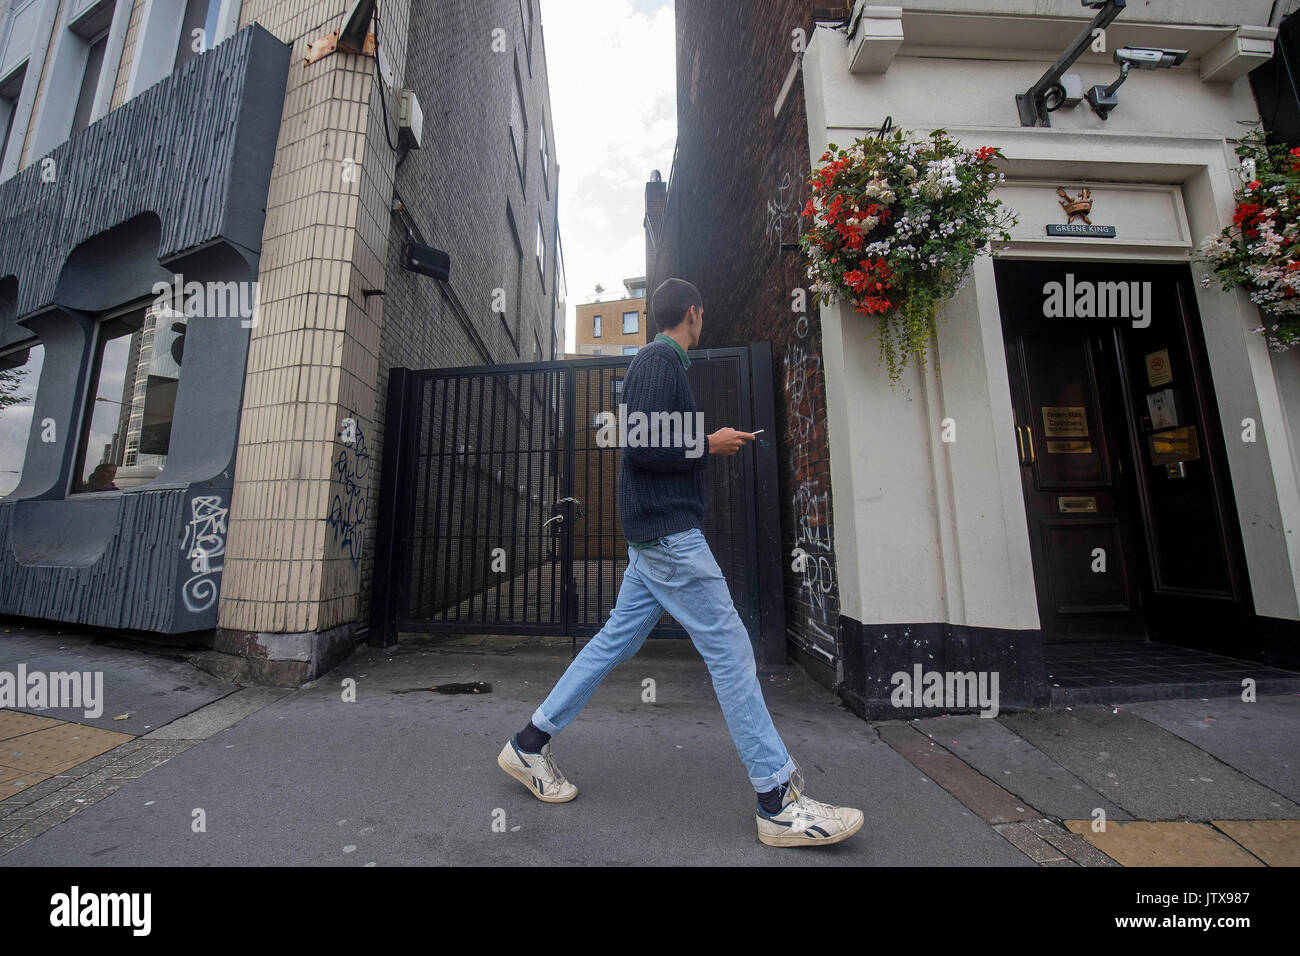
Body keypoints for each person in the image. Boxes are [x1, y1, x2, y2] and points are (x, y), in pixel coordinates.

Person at [498, 277, 863, 847]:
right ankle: (777, 802)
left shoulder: (657, 363)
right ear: (693, 313)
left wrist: (701, 439)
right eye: (702, 314)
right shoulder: (659, 360)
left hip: (654, 543)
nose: (702, 322)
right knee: (732, 651)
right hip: (670, 538)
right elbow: (641, 445)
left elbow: (648, 441)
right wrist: (707, 443)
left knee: (612, 643)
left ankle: (527, 745)